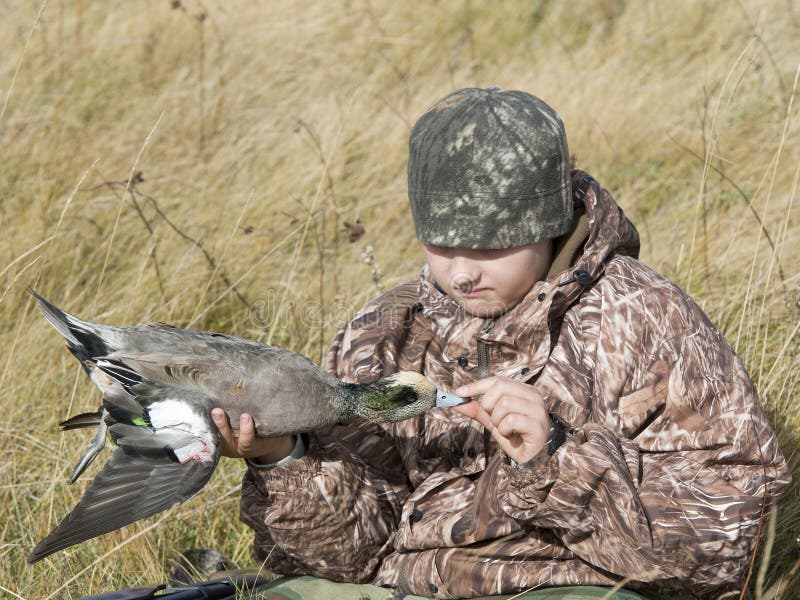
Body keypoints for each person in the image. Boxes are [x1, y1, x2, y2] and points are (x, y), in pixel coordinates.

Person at [211, 87, 790, 599]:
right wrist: (283, 457)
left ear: (549, 223)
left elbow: (730, 547)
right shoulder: (385, 331)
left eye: (490, 247)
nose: (462, 274)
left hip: (562, 589)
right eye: (441, 245)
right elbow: (346, 559)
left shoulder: (647, 320)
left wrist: (556, 461)